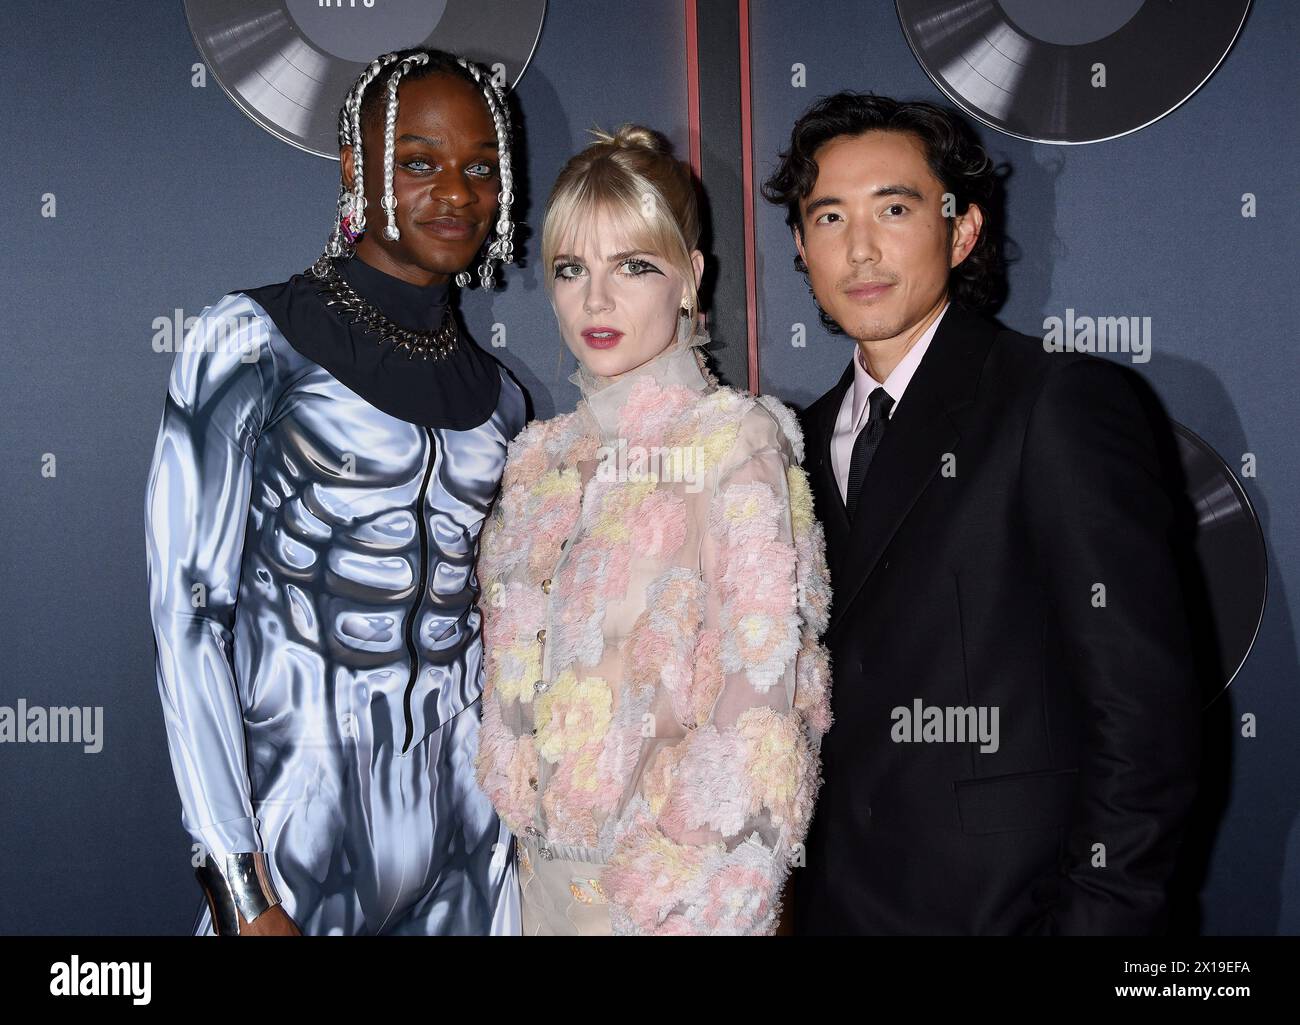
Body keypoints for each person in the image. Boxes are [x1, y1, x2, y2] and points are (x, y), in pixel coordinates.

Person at [762, 92, 1201, 935]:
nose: (860, 247)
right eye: (828, 217)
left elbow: (1144, 718)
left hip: (1008, 913)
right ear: (802, 249)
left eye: (895, 208)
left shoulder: (1054, 402)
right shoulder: (790, 445)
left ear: (961, 231)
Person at [144, 48, 525, 935]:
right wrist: (240, 886)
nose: (456, 193)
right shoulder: (249, 342)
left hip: (469, 837)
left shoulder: (505, 401)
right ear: (359, 168)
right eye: (420, 162)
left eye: (480, 167)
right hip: (296, 830)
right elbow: (188, 617)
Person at [473, 124, 832, 935]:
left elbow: (764, 709)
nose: (596, 299)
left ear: (689, 279)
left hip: (675, 905)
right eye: (572, 269)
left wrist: (688, 905)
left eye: (634, 265)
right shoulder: (539, 462)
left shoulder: (734, 441)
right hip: (537, 896)